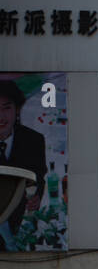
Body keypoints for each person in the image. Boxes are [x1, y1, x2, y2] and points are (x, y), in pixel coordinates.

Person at [0, 79, 46, 242]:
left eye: (7, 108)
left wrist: (36, 197)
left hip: (21, 227)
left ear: (17, 109)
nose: (1, 116)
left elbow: (39, 176)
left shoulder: (33, 140)